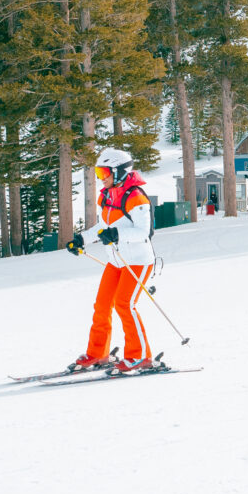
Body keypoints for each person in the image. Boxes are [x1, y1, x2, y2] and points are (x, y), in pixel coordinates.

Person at [64, 148, 158, 374]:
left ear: (119, 172)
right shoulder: (107, 195)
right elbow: (102, 226)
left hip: (138, 261)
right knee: (102, 305)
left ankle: (140, 356)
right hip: (116, 261)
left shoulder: (136, 197)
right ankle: (98, 353)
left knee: (125, 304)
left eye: (104, 171)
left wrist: (117, 235)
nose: (101, 177)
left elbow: (143, 232)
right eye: (98, 171)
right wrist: (81, 239)